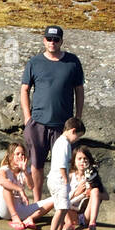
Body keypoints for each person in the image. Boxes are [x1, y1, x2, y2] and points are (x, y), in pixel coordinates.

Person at [20, 25, 85, 208]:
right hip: (38, 123)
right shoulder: (34, 63)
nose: (52, 42)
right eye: (49, 39)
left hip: (63, 126)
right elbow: (24, 89)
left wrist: (77, 118)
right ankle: (37, 204)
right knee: (36, 164)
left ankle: (65, 205)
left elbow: (79, 90)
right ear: (44, 40)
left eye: (56, 39)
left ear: (61, 41)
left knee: (64, 166)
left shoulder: (72, 62)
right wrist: (27, 117)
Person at [45, 117, 84, 230]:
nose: (77, 139)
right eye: (78, 136)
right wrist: (66, 182)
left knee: (62, 207)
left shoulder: (60, 141)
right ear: (73, 131)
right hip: (59, 180)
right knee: (62, 208)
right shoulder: (64, 143)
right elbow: (62, 165)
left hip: (54, 179)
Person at [0, 143, 40, 230]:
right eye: (18, 154)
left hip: (20, 208)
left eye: (23, 154)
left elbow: (31, 186)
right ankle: (15, 217)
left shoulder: (25, 170)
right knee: (7, 186)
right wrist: (20, 190)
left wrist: (25, 171)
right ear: (11, 156)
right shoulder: (4, 169)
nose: (21, 156)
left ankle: (29, 219)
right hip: (6, 210)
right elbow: (2, 181)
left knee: (52, 200)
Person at [67, 146, 107, 230]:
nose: (82, 161)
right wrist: (77, 192)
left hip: (85, 215)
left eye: (85, 159)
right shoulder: (70, 176)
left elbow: (106, 196)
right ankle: (68, 225)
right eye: (79, 159)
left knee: (95, 190)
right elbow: (63, 198)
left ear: (89, 161)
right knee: (64, 204)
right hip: (71, 213)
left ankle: (92, 223)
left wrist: (92, 193)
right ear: (74, 161)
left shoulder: (92, 176)